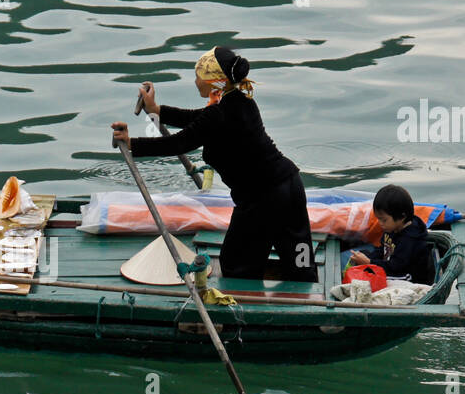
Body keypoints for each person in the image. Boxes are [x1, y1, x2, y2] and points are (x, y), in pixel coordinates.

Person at [110, 47, 318, 283]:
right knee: (300, 257)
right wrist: (158, 111)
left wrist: (131, 143)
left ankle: (240, 314)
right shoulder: (240, 99)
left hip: (262, 199)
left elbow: (179, 142)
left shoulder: (218, 113)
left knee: (237, 265)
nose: (196, 81)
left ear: (212, 81)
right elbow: (197, 119)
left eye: (199, 76)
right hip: (290, 186)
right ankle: (312, 299)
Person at [346, 184, 435, 284]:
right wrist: (367, 257)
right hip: (391, 264)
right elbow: (382, 250)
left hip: (407, 276)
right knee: (364, 254)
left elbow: (396, 267)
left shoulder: (410, 240)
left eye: (384, 220)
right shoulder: (392, 228)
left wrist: (369, 262)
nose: (380, 223)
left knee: (368, 278)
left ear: (402, 217)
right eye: (378, 219)